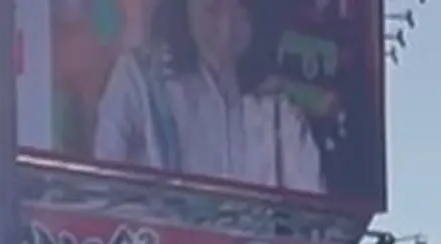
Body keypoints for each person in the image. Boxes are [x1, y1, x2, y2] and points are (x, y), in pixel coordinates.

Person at [93, 0, 325, 193]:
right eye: (212, 11)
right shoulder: (139, 79)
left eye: (241, 11)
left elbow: (310, 204)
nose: (227, 31)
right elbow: (103, 193)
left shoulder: (277, 100)